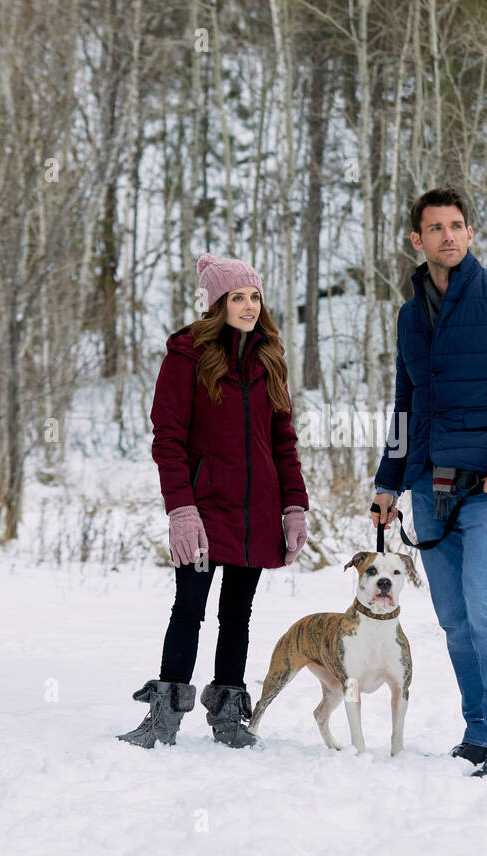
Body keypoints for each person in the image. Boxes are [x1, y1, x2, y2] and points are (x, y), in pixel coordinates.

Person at [370, 187, 487, 778]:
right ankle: (478, 731)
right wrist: (388, 483)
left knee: (485, 607)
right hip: (429, 487)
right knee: (454, 616)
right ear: (417, 239)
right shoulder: (410, 315)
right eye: (435, 228)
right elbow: (406, 404)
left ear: (471, 234)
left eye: (456, 225)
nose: (448, 235)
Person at [119, 253, 309, 749]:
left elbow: (284, 441)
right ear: (216, 304)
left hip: (257, 511)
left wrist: (294, 507)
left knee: (237, 614)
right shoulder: (186, 357)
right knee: (189, 608)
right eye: (237, 297)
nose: (249, 306)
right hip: (204, 510)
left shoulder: (270, 360)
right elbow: (168, 438)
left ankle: (228, 717)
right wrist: (181, 510)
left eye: (254, 296)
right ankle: (162, 718)